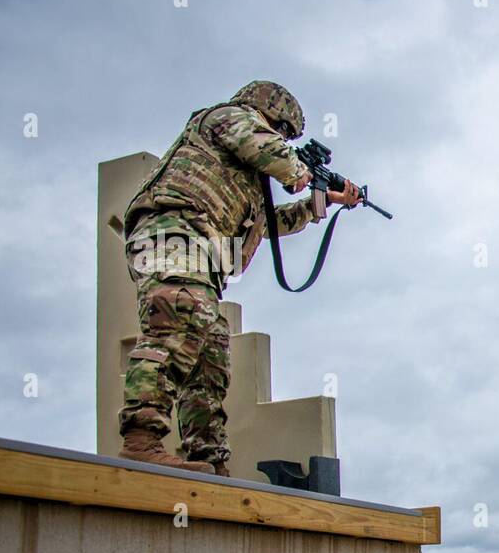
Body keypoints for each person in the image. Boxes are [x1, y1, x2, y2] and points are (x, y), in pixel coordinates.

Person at [117, 80, 361, 475]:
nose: (282, 139)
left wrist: (323, 202)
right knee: (178, 320)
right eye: (282, 131)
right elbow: (271, 151)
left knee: (210, 357)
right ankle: (141, 440)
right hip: (173, 231)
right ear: (271, 114)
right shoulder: (227, 118)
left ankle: (207, 460)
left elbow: (269, 223)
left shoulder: (247, 180)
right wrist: (302, 172)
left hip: (203, 256)